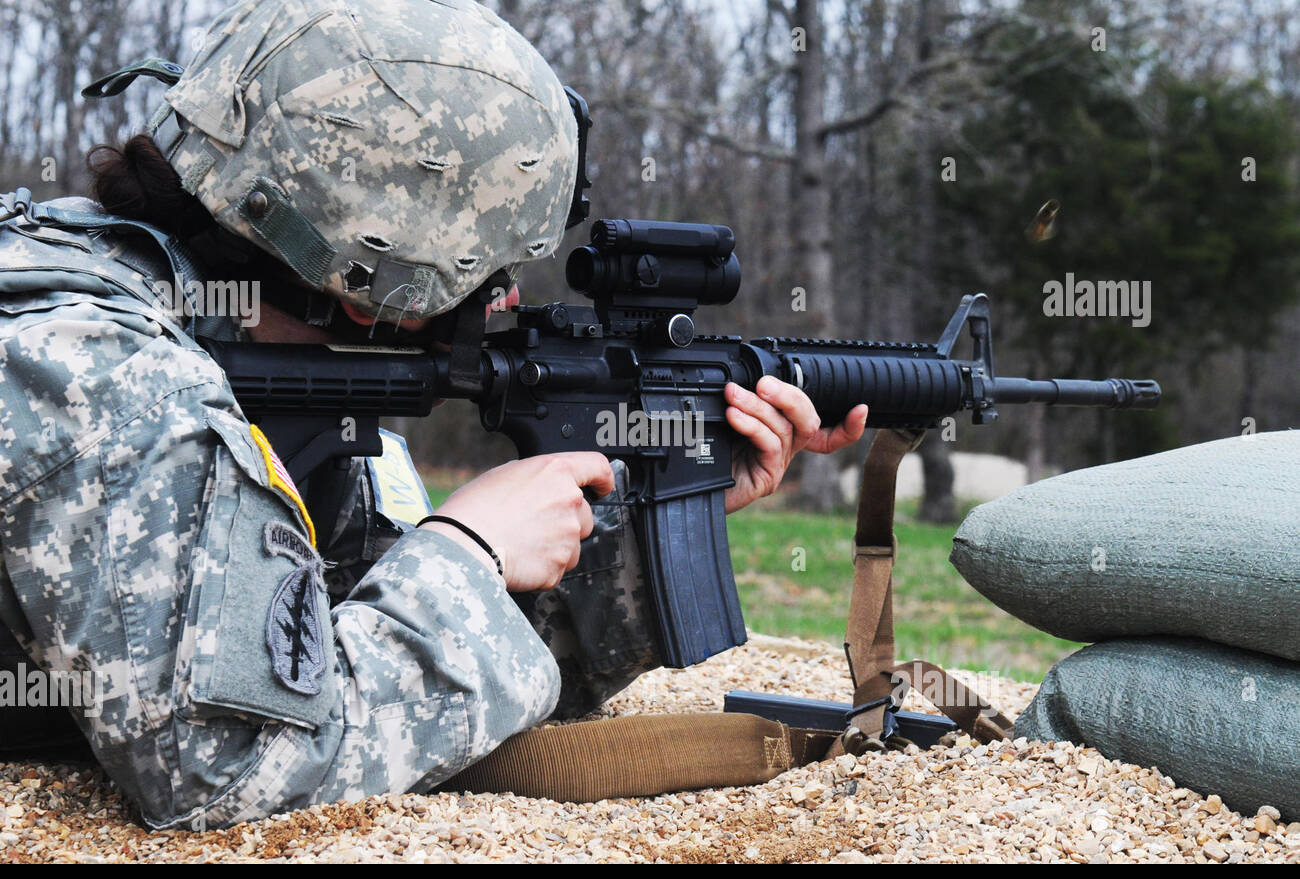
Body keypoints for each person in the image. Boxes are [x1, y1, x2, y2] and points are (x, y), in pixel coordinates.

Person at [0, 0, 867, 829]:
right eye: (486, 276)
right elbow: (230, 766)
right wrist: (469, 549)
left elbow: (360, 671)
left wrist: (655, 529)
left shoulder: (230, 349)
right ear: (370, 268)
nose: (506, 298)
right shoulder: (101, 373)